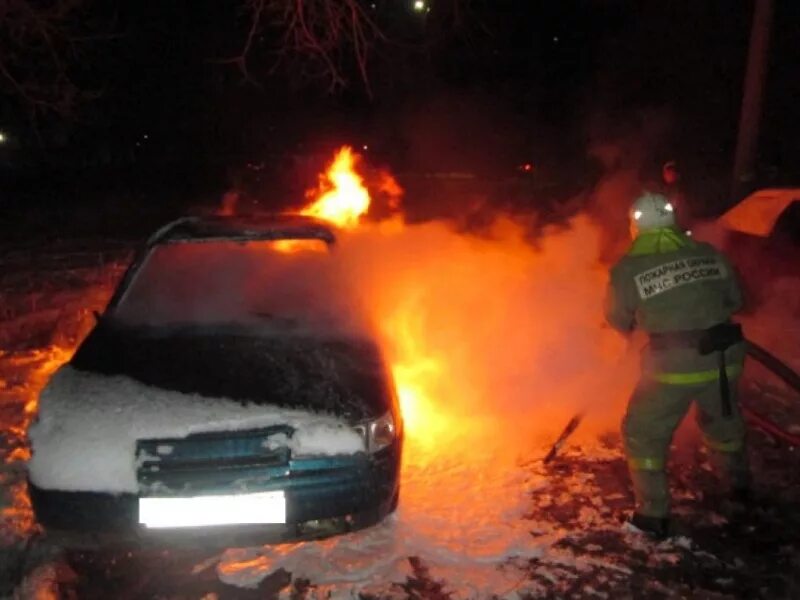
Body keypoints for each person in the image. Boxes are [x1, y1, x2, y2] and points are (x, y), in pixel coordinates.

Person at [604, 191, 750, 539]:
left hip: (671, 367)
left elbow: (618, 319)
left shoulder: (628, 268)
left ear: (636, 227)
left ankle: (653, 515)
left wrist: (643, 322)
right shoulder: (708, 254)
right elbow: (736, 299)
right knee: (723, 423)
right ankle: (739, 488)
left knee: (643, 432)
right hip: (724, 359)